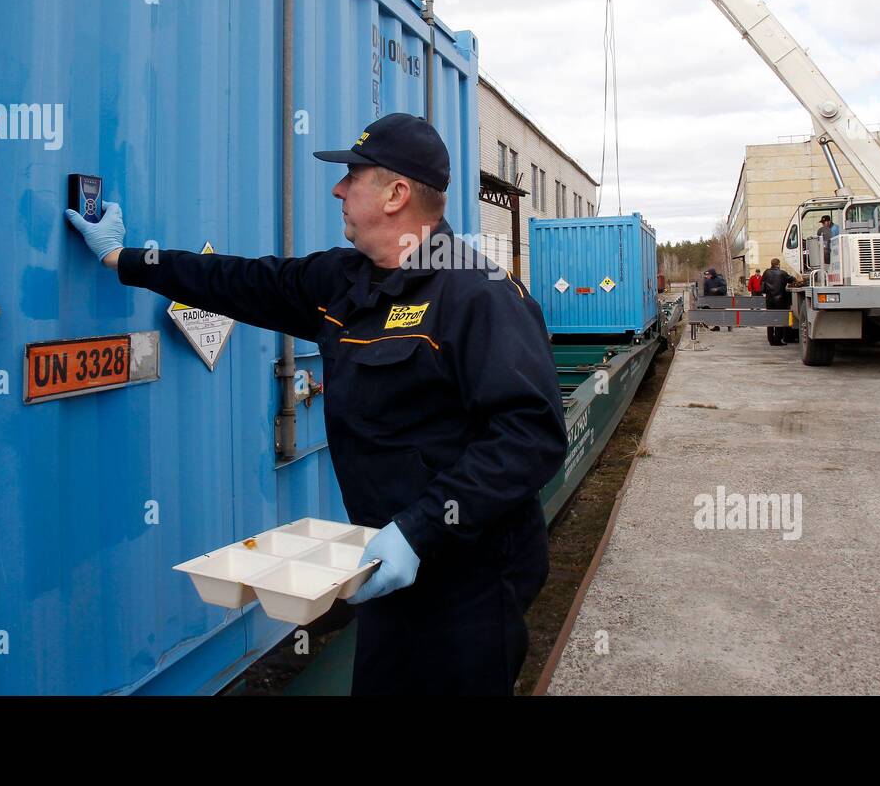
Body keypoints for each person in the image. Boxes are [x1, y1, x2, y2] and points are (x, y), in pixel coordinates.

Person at [64, 112, 566, 696]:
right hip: (385, 567)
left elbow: (531, 436)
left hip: (469, 581)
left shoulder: (478, 295)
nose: (337, 188)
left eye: (352, 176)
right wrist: (123, 259)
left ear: (397, 193)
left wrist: (421, 529)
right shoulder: (344, 281)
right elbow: (236, 280)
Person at [760, 258, 797, 345]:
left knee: (770, 319)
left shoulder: (766, 272)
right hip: (780, 300)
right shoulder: (782, 273)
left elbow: (762, 284)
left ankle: (770, 340)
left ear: (771, 264)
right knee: (779, 320)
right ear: (778, 264)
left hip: (769, 299)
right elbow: (791, 279)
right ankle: (777, 340)